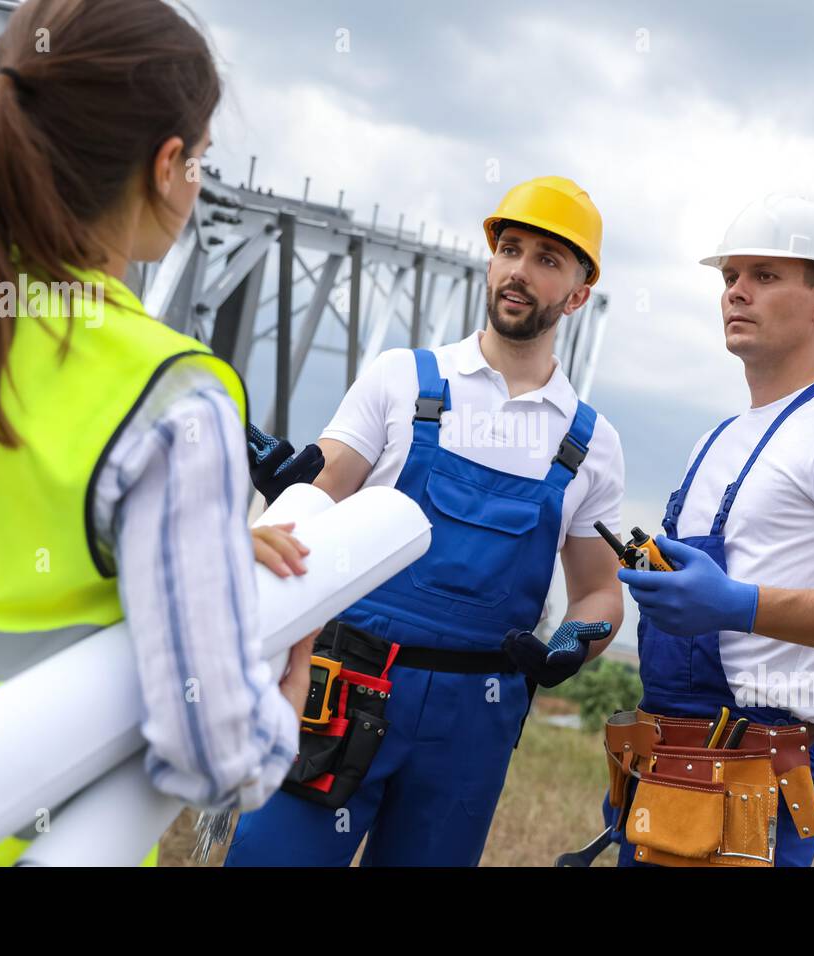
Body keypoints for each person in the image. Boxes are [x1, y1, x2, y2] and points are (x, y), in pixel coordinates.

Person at [0, 0, 311, 865]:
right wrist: (283, 691)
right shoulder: (168, 399)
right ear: (168, 163)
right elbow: (216, 755)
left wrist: (180, 549)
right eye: (200, 159)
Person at [225, 176, 626, 866]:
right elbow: (326, 484)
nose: (519, 272)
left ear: (578, 293)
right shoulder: (402, 379)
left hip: (475, 721)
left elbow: (600, 591)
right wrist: (291, 485)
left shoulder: (589, 442)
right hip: (344, 690)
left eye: (547, 260)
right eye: (510, 249)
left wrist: (580, 639)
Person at [611, 194, 814, 867]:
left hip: (756, 779)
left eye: (765, 276)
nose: (736, 292)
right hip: (665, 762)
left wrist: (739, 605)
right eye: (729, 277)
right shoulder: (715, 439)